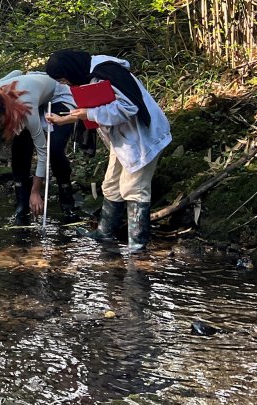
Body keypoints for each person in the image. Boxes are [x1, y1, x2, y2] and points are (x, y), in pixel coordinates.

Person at [44, 50, 171, 253]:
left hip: (141, 137)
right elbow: (93, 109)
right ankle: (105, 233)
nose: (65, 83)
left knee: (134, 189)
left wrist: (89, 113)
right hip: (123, 139)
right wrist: (64, 119)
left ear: (70, 69)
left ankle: (137, 246)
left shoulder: (107, 73)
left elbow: (129, 107)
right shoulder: (90, 74)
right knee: (111, 185)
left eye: (63, 79)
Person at [0, 71, 78, 223]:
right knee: (19, 149)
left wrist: (35, 191)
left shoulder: (26, 107)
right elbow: (17, 72)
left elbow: (42, 152)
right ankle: (22, 204)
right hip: (33, 97)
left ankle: (67, 202)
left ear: (5, 111)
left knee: (54, 149)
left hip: (57, 96)